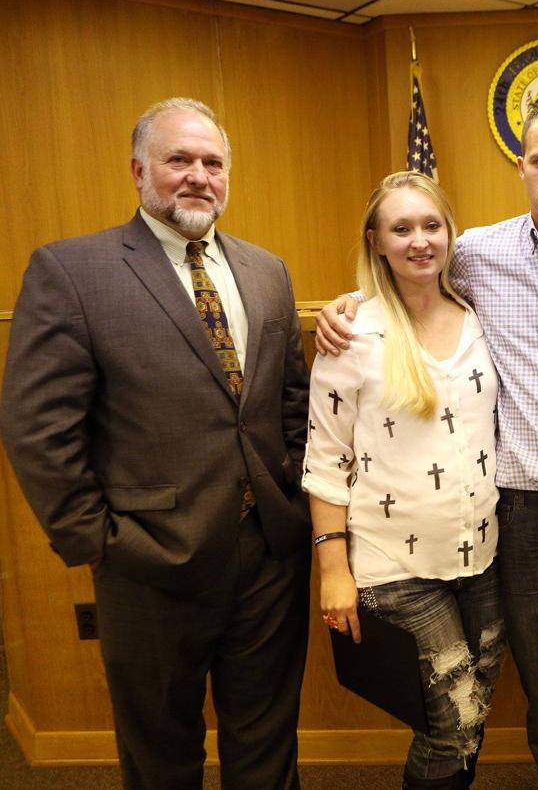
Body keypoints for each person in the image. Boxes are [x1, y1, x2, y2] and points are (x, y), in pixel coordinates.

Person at [315, 100, 538, 790]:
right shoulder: (477, 252)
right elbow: (407, 286)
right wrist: (344, 306)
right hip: (525, 507)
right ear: (522, 167)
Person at [0, 98, 311, 789]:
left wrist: (285, 497)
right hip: (146, 564)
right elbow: (36, 428)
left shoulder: (268, 272)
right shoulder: (73, 271)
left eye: (213, 162)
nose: (198, 175)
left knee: (267, 748)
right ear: (139, 170)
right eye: (180, 160)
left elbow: (293, 399)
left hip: (267, 559)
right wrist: (98, 541)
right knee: (162, 758)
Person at [304, 171, 505, 790]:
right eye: (401, 228)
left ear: (450, 235)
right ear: (377, 242)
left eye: (431, 225)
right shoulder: (353, 335)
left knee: (470, 720)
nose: (419, 240)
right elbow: (325, 458)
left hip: (483, 556)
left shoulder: (480, 318)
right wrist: (334, 572)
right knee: (451, 723)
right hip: (395, 568)